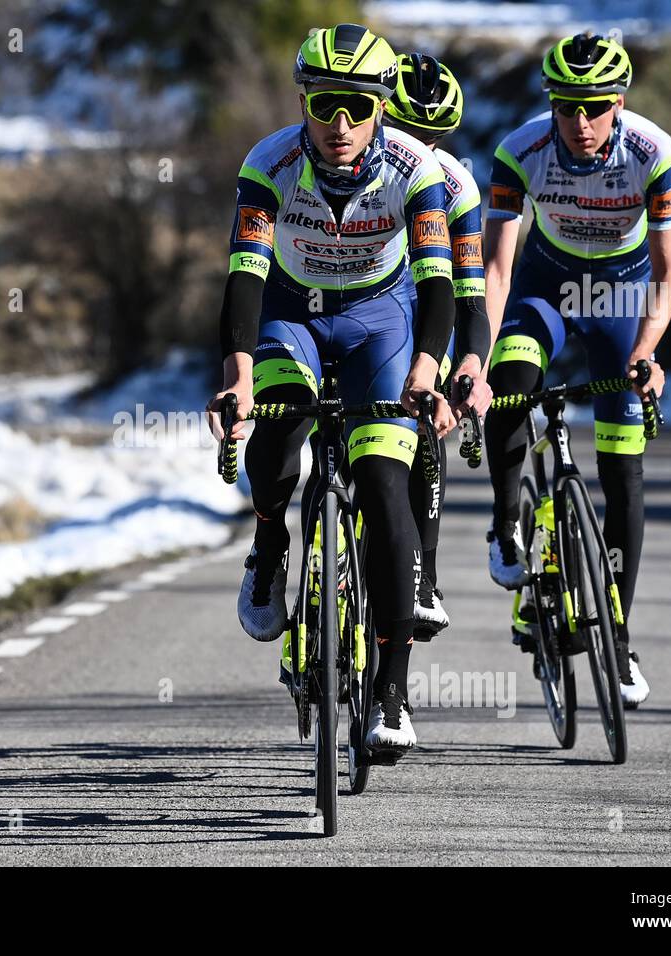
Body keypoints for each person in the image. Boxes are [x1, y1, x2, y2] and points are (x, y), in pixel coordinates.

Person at [206, 23, 456, 750]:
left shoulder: (417, 170)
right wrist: (238, 376)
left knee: (383, 485)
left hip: (381, 320)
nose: (339, 125)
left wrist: (428, 368)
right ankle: (269, 550)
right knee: (282, 429)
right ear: (305, 103)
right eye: (323, 106)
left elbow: (438, 283)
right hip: (292, 313)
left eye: (355, 105)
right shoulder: (270, 163)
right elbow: (245, 274)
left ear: (381, 103)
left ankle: (391, 698)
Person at [481, 33, 671, 706]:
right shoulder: (521, 151)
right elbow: (499, 268)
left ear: (619, 103)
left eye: (596, 107)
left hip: (624, 298)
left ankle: (618, 643)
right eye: (567, 106)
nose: (581, 122)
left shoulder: (653, 154)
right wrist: (479, 358)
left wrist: (647, 351)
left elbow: (668, 270)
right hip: (545, 284)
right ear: (552, 105)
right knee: (512, 381)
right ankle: (508, 521)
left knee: (623, 475)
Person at [381, 52, 494, 639]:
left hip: (425, 313)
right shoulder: (348, 166)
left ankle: (422, 572)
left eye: (431, 136)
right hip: (347, 306)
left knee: (430, 414)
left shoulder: (456, 187)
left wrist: (472, 363)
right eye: (405, 132)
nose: (418, 149)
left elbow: (470, 295)